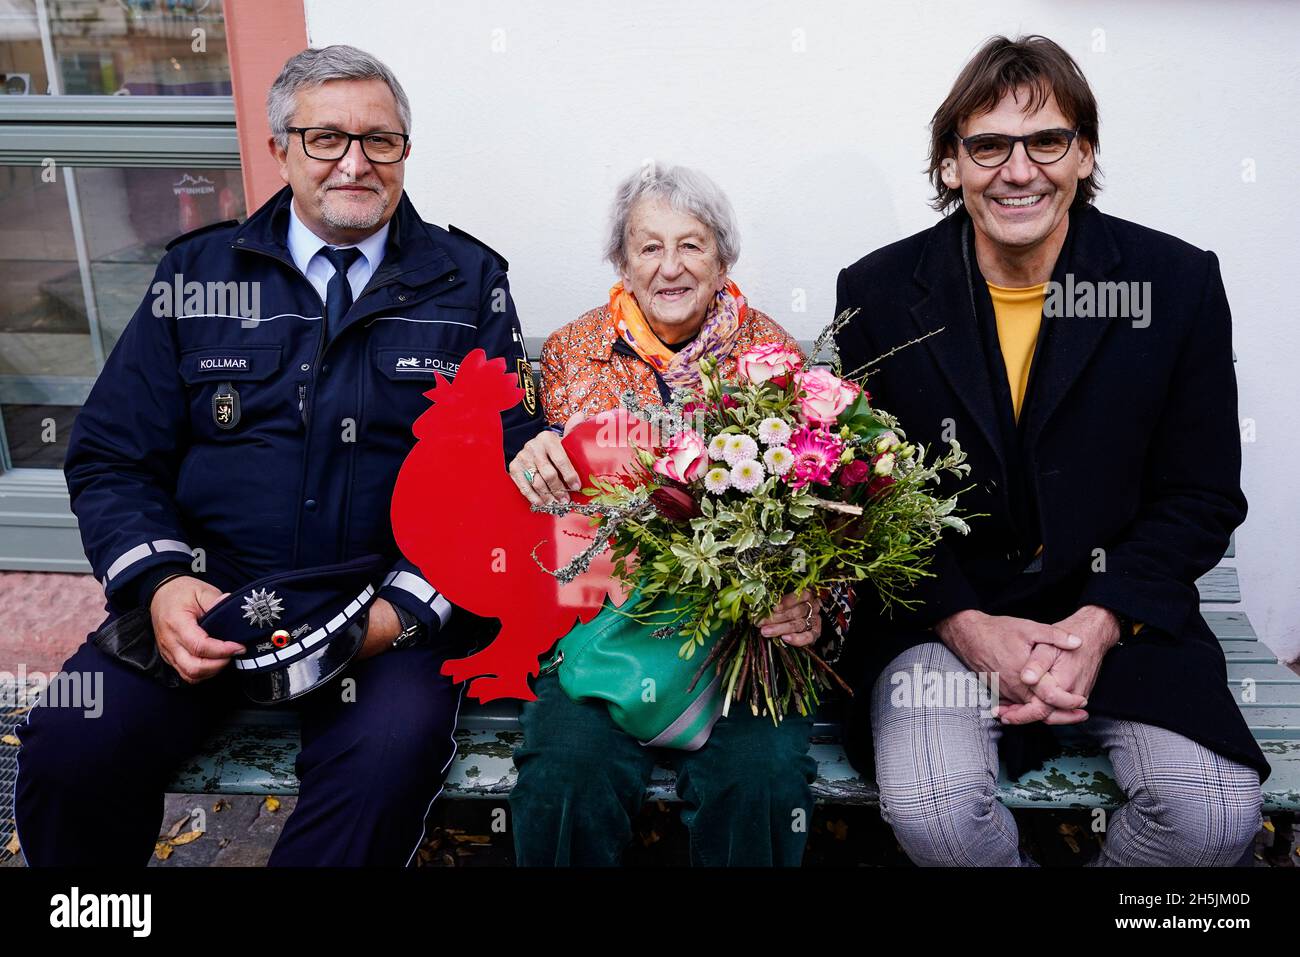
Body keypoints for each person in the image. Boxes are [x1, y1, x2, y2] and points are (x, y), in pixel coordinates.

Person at [14, 44, 540, 866]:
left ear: (406, 150)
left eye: (382, 140)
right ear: (279, 149)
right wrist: (160, 584)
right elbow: (114, 455)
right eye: (327, 137)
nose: (356, 163)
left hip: (386, 612)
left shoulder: (467, 282)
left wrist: (401, 612)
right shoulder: (199, 274)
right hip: (215, 597)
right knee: (69, 742)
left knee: (384, 763)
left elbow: (507, 474)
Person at [834, 34, 1268, 866]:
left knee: (1214, 818)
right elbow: (868, 497)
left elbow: (1201, 492)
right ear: (951, 163)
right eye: (988, 144)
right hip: (942, 618)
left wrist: (1100, 622)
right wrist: (968, 627)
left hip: (1122, 616)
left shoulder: (1174, 282)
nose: (1018, 170)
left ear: (1085, 153)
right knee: (934, 816)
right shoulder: (879, 291)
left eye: (1047, 141)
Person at [507, 163, 827, 866]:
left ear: (723, 259)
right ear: (622, 260)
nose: (671, 266)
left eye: (693, 244)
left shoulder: (772, 358)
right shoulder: (569, 353)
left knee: (763, 783)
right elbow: (528, 497)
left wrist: (816, 601)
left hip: (739, 635)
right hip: (606, 631)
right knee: (563, 778)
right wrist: (529, 458)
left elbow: (827, 516)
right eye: (649, 246)